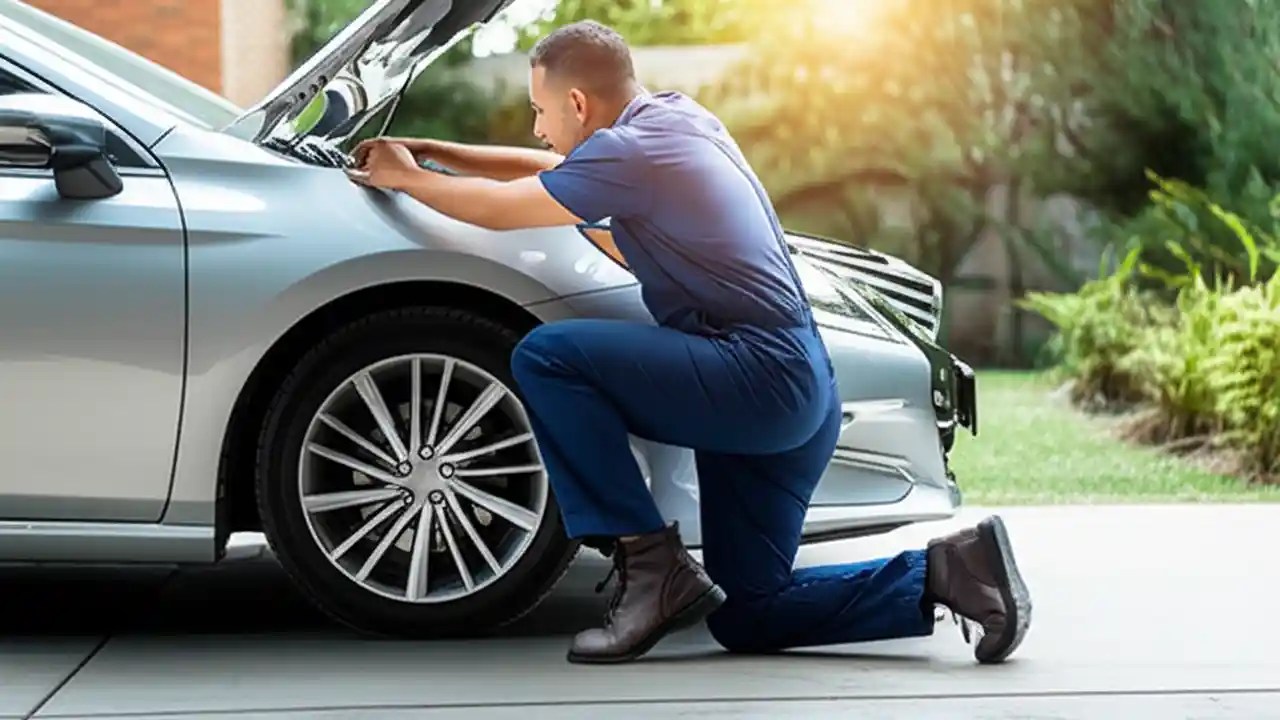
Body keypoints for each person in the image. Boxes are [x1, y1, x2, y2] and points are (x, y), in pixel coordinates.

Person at [347, 20, 1031, 665]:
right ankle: (952, 569)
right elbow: (545, 166)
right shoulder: (673, 121)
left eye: (541, 109)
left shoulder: (633, 151)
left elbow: (506, 212)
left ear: (578, 103)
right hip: (796, 388)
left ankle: (651, 564)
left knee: (547, 359)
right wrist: (439, 153)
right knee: (750, 614)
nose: (539, 124)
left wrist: (407, 180)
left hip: (753, 377)